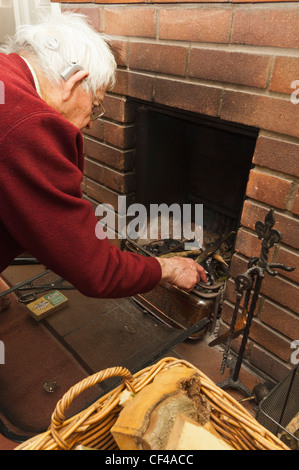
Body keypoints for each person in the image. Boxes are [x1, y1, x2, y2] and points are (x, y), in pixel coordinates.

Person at [0, 12, 207, 301]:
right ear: (73, 80)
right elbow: (98, 272)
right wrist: (167, 268)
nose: (91, 122)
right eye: (96, 104)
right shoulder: (26, 124)